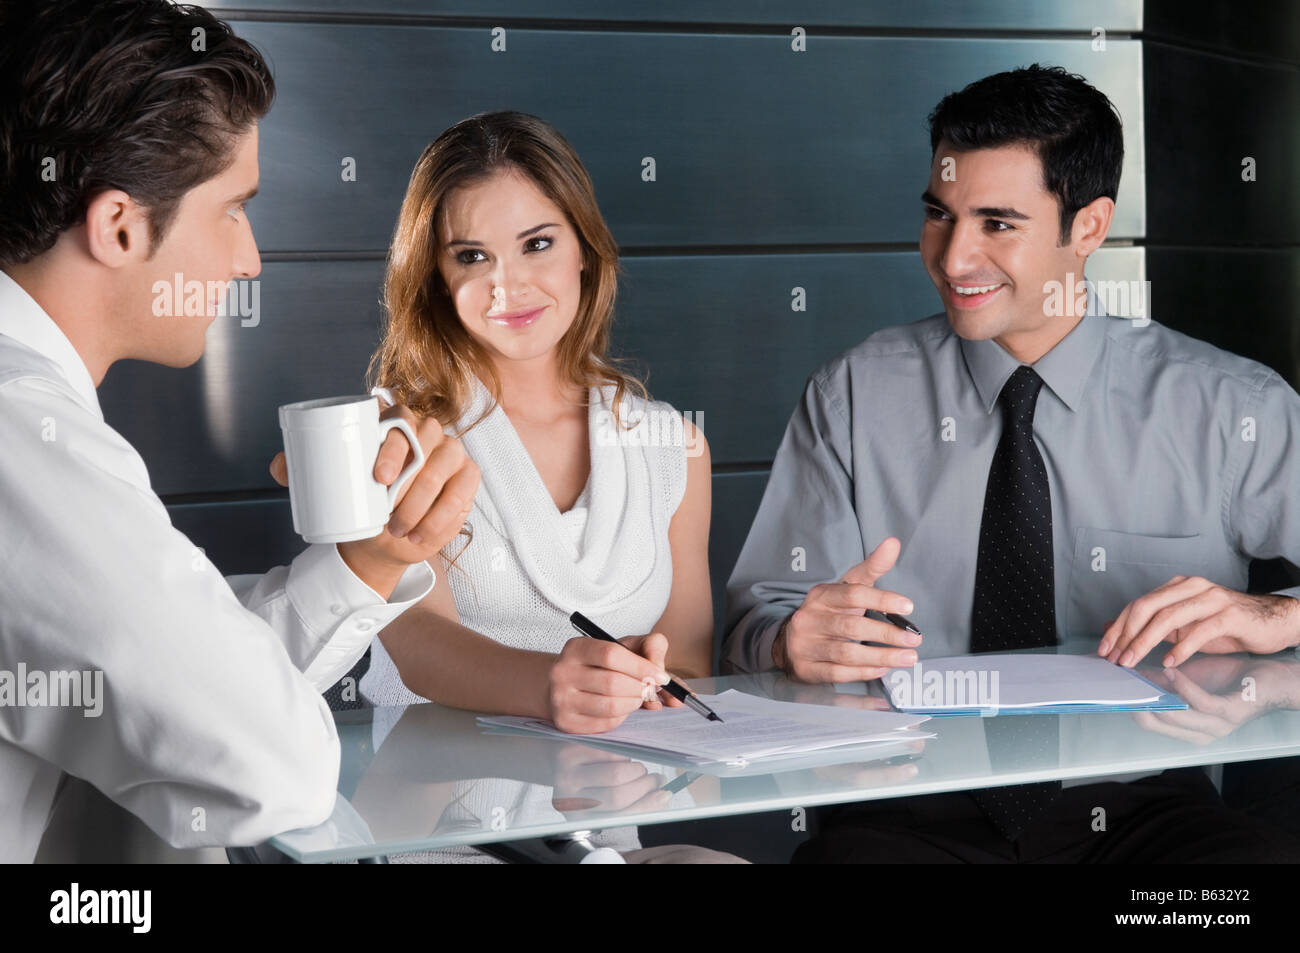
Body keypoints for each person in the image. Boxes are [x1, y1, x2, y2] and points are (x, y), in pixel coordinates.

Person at [723, 64, 1300, 862]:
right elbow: (751, 623)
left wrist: (1272, 616)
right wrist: (789, 639)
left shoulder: (1231, 406)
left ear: (1090, 227)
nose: (954, 256)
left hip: (1143, 815)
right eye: (939, 214)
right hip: (906, 806)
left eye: (998, 223)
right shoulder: (854, 393)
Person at [0, 0, 478, 863]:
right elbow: (265, 760)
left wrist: (371, 559)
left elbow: (178, 686)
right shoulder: (23, 437)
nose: (250, 258)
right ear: (119, 226)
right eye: (232, 209)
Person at [354, 111, 744, 863]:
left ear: (585, 252)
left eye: (538, 243)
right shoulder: (401, 434)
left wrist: (648, 685)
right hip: (442, 835)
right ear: (436, 277)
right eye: (472, 256)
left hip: (606, 835)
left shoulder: (673, 445)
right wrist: (550, 684)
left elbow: (692, 667)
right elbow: (416, 644)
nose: (509, 286)